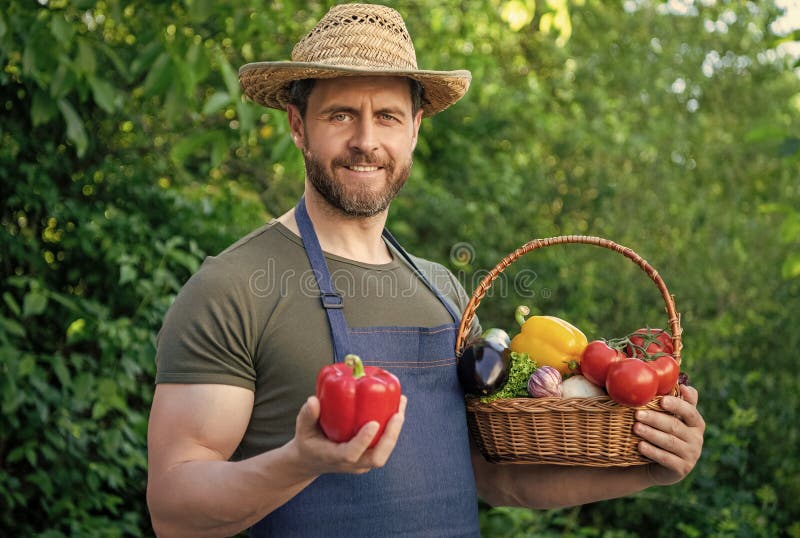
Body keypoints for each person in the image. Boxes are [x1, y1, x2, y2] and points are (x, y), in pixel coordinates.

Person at [145, 3, 705, 537]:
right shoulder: (234, 286)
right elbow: (174, 509)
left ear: (413, 128)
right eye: (341, 115)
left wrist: (645, 468)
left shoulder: (442, 291)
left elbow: (496, 475)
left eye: (386, 116)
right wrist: (299, 461)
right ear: (297, 125)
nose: (366, 141)